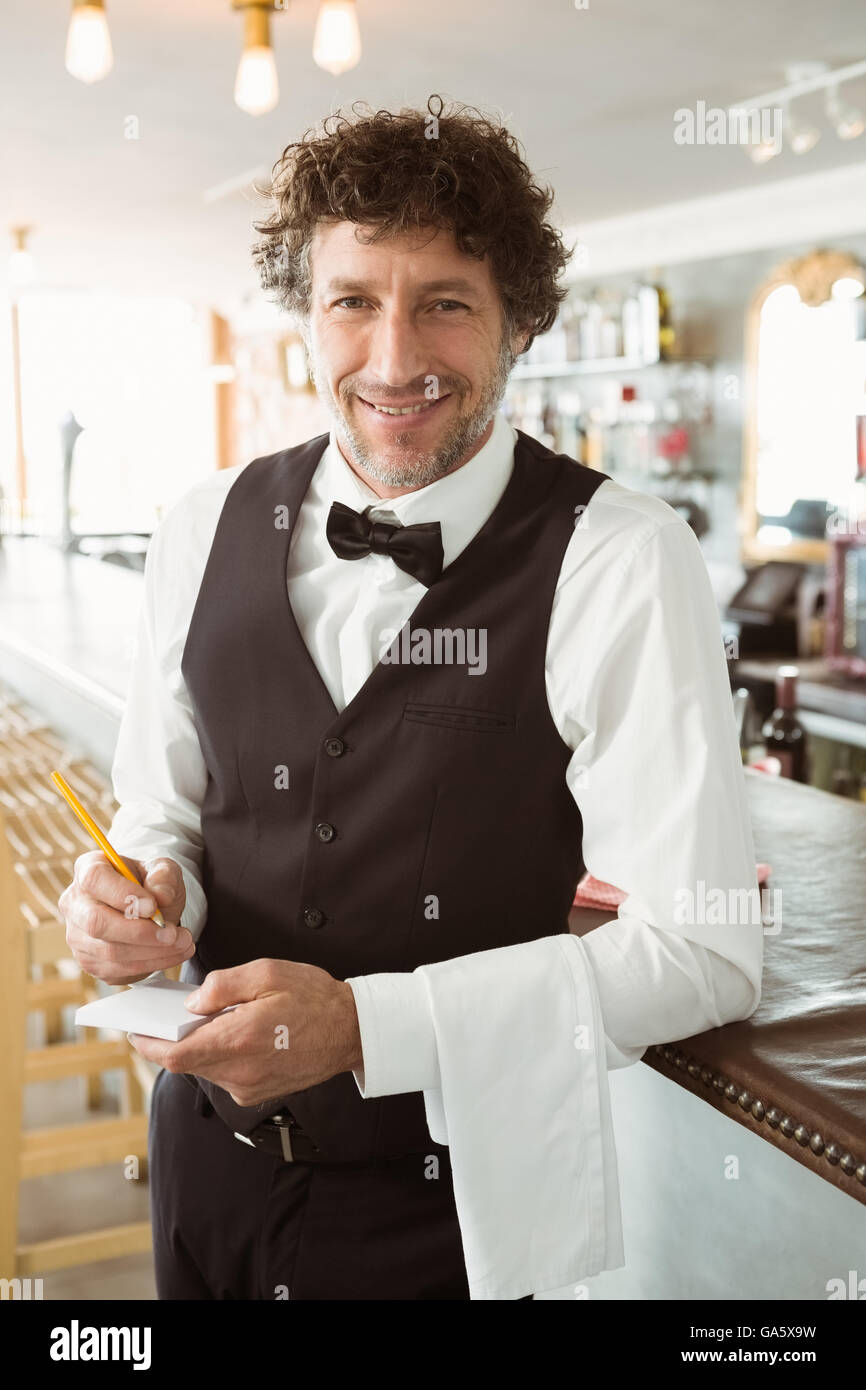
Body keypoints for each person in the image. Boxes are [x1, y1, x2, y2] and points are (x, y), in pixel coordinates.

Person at [58, 95, 762, 1301]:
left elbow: (702, 952)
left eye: (444, 302)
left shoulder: (619, 558)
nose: (392, 361)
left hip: (449, 1216)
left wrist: (368, 1028)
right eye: (352, 301)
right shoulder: (198, 526)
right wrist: (131, 890)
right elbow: (156, 811)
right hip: (199, 1168)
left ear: (518, 322)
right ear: (305, 316)